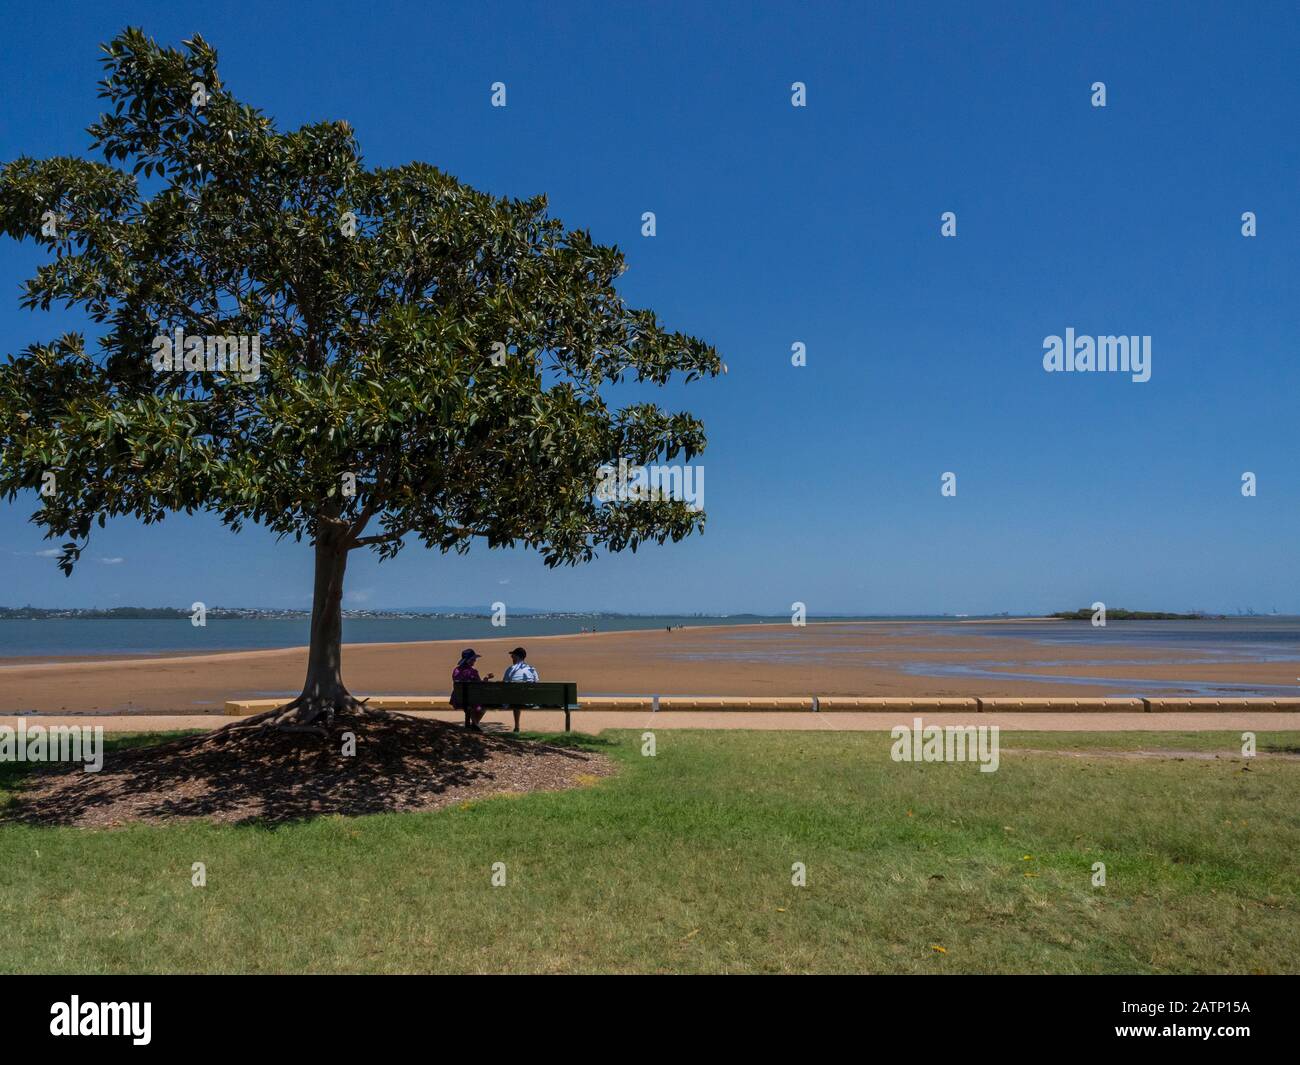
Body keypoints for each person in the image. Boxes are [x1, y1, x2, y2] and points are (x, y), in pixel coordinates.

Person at [450, 648, 494, 732]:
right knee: (484, 705)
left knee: (470, 705)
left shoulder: (456, 670)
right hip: (471, 699)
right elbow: (479, 686)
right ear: (468, 660)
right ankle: (475, 724)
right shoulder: (473, 672)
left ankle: (474, 724)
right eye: (473, 659)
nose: (475, 661)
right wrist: (486, 678)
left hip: (457, 698)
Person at [502, 646, 539, 732]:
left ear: (517, 657)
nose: (511, 658)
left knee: (515, 697)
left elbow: (504, 685)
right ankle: (517, 726)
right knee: (518, 696)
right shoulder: (532, 669)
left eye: (513, 656)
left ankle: (517, 726)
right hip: (529, 701)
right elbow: (536, 684)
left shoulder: (510, 669)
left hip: (513, 702)